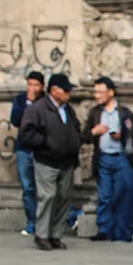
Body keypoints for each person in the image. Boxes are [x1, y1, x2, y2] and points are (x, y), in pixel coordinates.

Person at [19, 73, 83, 250]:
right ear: (54, 91)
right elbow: (27, 133)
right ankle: (42, 234)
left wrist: (75, 142)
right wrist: (47, 143)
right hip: (47, 160)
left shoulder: (67, 109)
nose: (69, 93)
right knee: (47, 196)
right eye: (66, 90)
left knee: (64, 198)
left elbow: (75, 128)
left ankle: (55, 234)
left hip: (66, 161)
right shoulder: (38, 109)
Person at [85, 76, 133, 243]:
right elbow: (85, 135)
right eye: (95, 92)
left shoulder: (124, 112)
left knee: (122, 195)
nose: (97, 96)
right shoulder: (95, 113)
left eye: (100, 92)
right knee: (104, 196)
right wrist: (94, 132)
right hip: (103, 158)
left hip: (121, 157)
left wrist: (122, 135)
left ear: (111, 92)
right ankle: (104, 229)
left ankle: (122, 231)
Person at [10, 70, 45, 236]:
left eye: (36, 85)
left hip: (42, 149)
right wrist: (28, 104)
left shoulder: (46, 101)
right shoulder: (20, 100)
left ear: (42, 86)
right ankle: (32, 221)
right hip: (24, 149)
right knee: (28, 188)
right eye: (30, 84)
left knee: (46, 188)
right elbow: (16, 120)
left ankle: (48, 221)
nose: (33, 88)